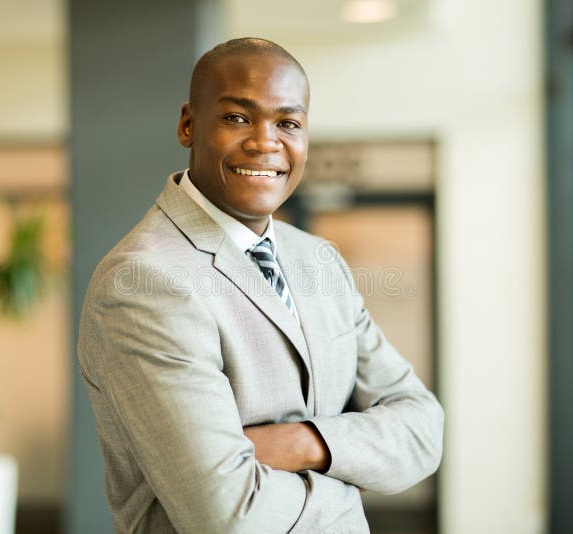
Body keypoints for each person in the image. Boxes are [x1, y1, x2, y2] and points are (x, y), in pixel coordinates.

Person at [78, 37, 444, 533]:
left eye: (288, 123)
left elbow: (423, 429)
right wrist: (351, 487)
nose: (265, 142)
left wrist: (302, 442)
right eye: (237, 118)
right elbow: (228, 516)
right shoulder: (143, 282)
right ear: (188, 124)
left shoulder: (316, 259)